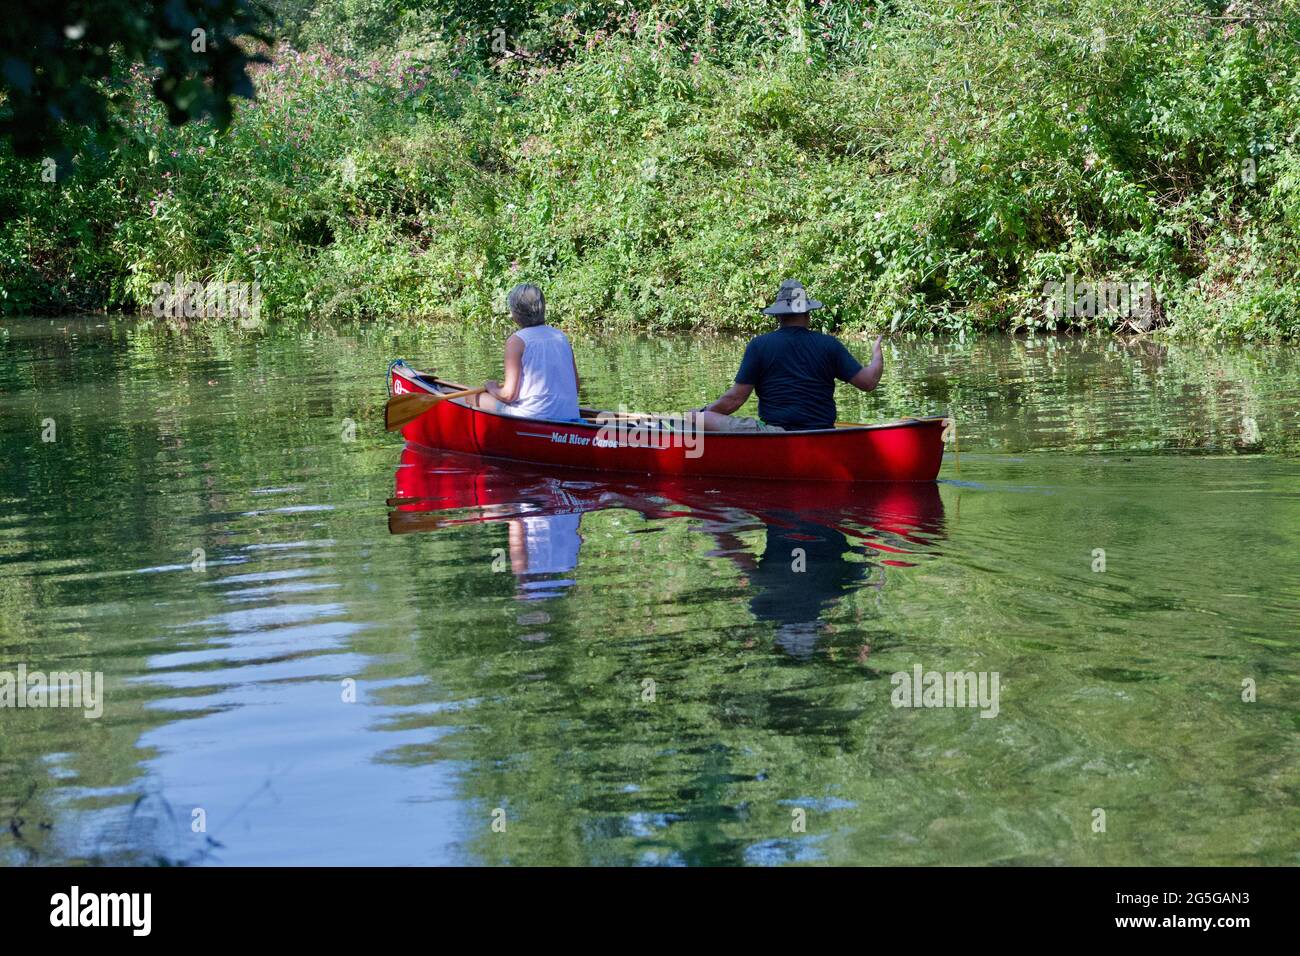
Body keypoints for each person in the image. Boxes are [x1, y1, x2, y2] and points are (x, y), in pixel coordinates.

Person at [697, 279, 884, 431]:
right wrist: (876, 353)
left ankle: (694, 417)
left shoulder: (758, 345)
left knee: (702, 418)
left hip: (775, 435)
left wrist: (700, 414)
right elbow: (868, 382)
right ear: (807, 313)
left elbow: (734, 400)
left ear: (778, 316)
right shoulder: (829, 345)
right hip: (822, 432)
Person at [476, 283, 582, 421]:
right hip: (569, 416)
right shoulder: (561, 336)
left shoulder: (516, 341)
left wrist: (492, 388)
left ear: (516, 313)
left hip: (533, 417)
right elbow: (576, 387)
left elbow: (508, 395)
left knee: (473, 397)